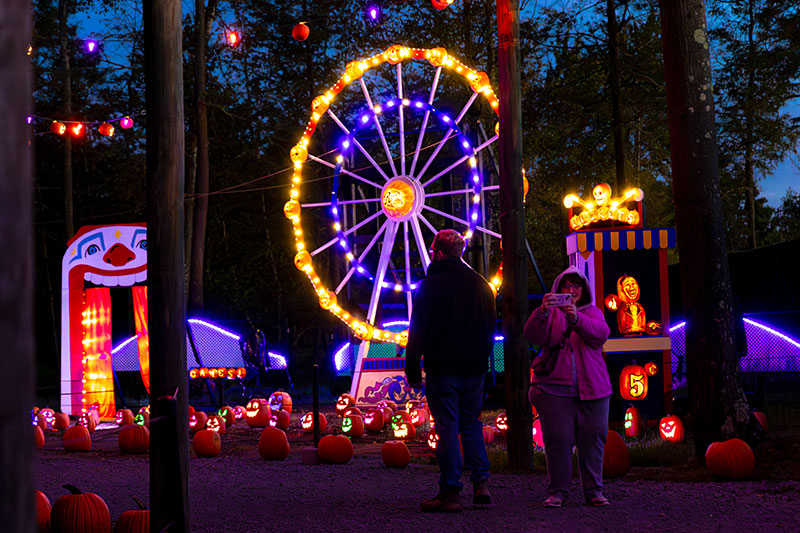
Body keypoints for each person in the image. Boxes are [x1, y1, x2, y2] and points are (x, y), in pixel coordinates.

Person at [404, 229, 497, 513]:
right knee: (471, 424)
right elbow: (490, 328)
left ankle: (451, 491)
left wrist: (412, 368)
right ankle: (482, 483)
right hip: (474, 368)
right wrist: (483, 362)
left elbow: (417, 331)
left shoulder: (429, 286)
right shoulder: (481, 284)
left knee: (446, 428)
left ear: (438, 253)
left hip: (443, 368)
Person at [524, 266, 612, 508]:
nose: (572, 290)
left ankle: (594, 491)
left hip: (593, 388)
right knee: (558, 440)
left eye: (577, 286)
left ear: (584, 290)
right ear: (558, 289)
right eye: (567, 286)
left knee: (593, 439)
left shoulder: (593, 313)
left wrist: (576, 318)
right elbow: (532, 334)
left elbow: (600, 334)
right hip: (554, 388)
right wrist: (541, 312)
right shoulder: (549, 313)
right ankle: (557, 491)